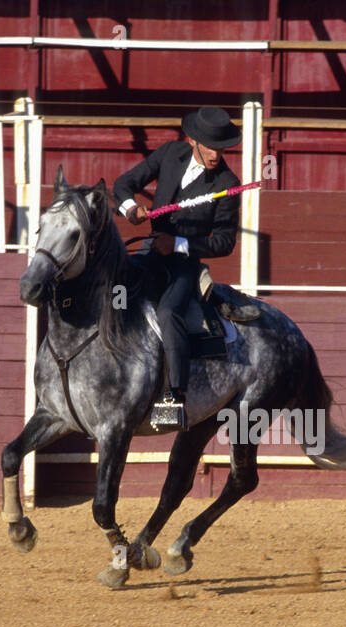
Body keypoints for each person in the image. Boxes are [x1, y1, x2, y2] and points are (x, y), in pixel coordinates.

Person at [113, 106, 241, 431]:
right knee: (115, 292)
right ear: (192, 141)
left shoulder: (227, 182)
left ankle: (174, 395)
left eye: (222, 148)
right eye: (210, 147)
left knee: (170, 312)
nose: (216, 154)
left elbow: (225, 242)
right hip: (150, 252)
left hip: (184, 265)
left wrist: (180, 243)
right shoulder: (171, 153)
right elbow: (124, 184)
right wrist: (131, 210)